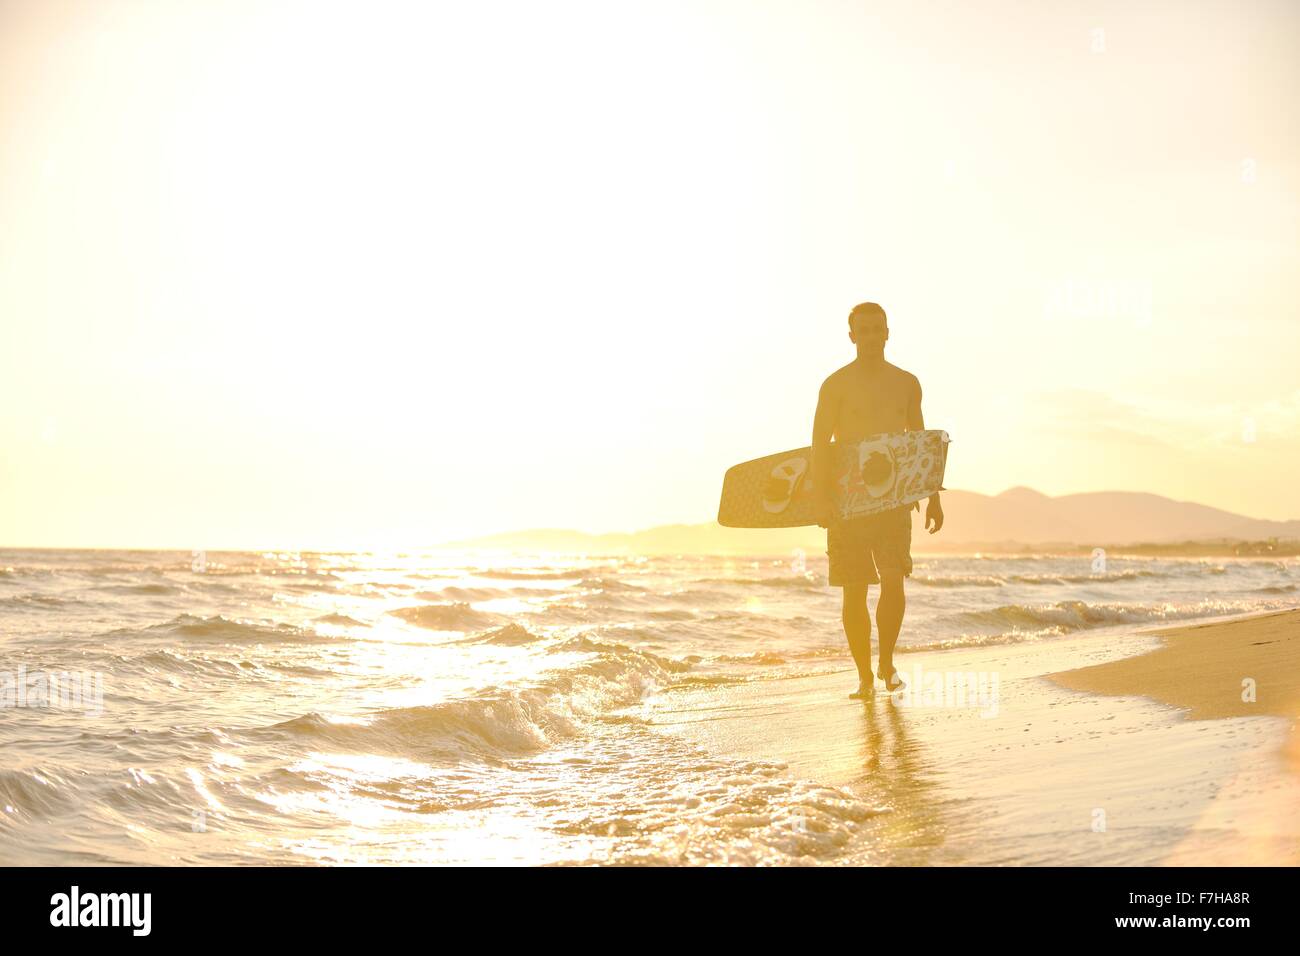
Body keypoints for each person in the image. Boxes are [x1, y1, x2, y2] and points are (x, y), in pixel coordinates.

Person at [810, 302, 943, 699]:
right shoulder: (834, 385)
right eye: (862, 330)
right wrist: (821, 497)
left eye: (876, 329)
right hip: (847, 502)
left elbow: (920, 446)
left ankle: (886, 662)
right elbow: (819, 443)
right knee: (854, 589)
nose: (869, 337)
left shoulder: (906, 383)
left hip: (893, 500)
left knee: (893, 579)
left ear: (888, 333)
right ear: (851, 336)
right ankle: (864, 677)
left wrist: (933, 497)